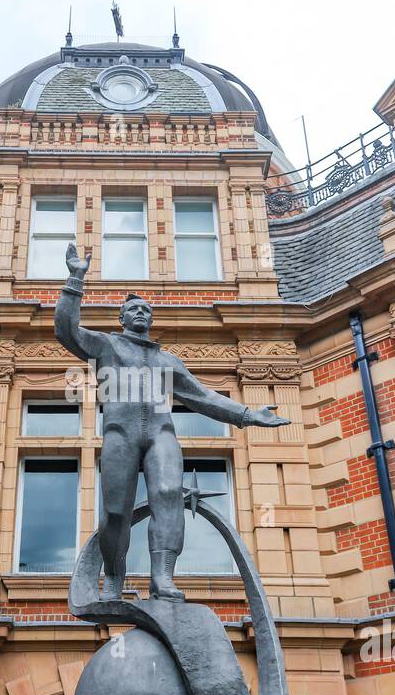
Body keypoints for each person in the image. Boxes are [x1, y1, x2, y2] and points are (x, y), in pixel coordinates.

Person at [55, 243, 289, 600]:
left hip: (161, 435)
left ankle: (162, 577)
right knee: (116, 511)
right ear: (121, 318)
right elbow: (66, 330)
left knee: (167, 495)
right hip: (121, 434)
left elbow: (204, 397)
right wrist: (75, 279)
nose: (141, 313)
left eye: (146, 310)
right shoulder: (107, 346)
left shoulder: (167, 361)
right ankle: (115, 574)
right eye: (133, 309)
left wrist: (248, 414)